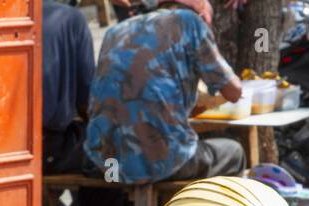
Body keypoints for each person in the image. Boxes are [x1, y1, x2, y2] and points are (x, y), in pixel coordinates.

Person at [84, 0, 245, 185]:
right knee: (234, 153)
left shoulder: (116, 30)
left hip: (104, 161)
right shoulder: (191, 21)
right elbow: (233, 92)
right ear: (203, 16)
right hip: (164, 161)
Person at [42, 1, 94, 175]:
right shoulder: (72, 18)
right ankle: (96, 201)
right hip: (48, 146)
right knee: (111, 157)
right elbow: (87, 96)